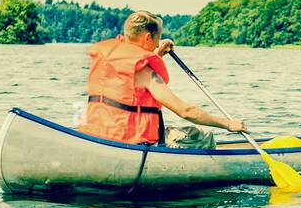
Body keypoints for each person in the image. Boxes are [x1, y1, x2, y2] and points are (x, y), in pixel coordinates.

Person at [79, 11, 247, 145]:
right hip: (134, 142)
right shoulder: (146, 74)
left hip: (99, 135)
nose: (157, 43)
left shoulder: (108, 61)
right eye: (157, 39)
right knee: (204, 136)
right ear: (147, 38)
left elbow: (129, 81)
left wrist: (157, 53)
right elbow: (185, 111)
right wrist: (227, 124)